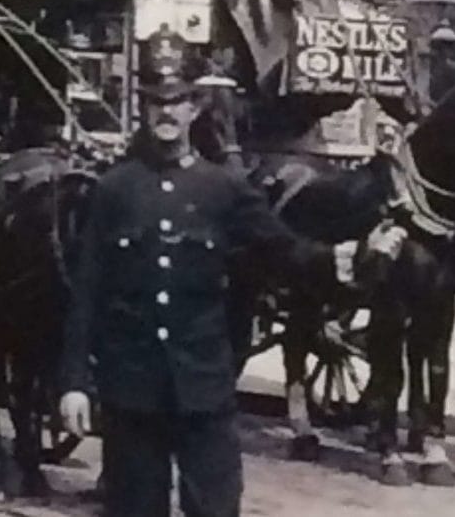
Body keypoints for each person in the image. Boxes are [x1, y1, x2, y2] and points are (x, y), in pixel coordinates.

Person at [59, 31, 402, 517]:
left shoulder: (224, 189)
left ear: (195, 107)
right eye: (156, 101)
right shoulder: (115, 190)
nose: (166, 112)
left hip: (204, 388)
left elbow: (283, 250)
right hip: (131, 392)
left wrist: (347, 256)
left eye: (177, 100)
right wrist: (74, 380)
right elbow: (88, 290)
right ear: (143, 107)